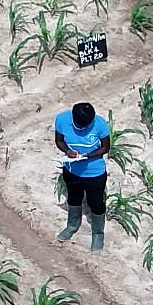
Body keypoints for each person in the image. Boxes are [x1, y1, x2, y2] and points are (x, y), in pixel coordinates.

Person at [53, 101, 111, 253]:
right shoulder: (62, 120)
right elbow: (59, 141)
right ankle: (72, 225)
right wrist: (67, 151)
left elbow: (106, 147)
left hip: (94, 173)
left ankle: (98, 234)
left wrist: (89, 156)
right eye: (80, 127)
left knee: (96, 204)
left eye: (86, 127)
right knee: (73, 198)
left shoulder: (100, 124)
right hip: (72, 171)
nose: (82, 130)